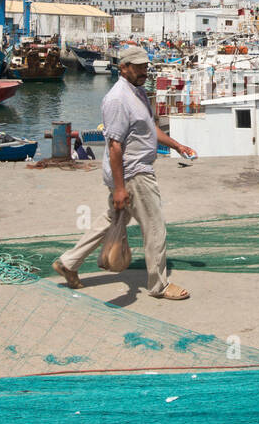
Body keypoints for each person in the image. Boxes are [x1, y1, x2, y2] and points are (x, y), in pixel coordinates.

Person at [52, 46, 196, 300]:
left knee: (112, 219)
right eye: (138, 67)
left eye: (145, 67)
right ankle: (159, 285)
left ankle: (69, 261)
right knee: (154, 227)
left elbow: (149, 129)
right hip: (133, 174)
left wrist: (177, 145)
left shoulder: (136, 92)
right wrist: (120, 188)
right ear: (124, 67)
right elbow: (115, 146)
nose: (144, 72)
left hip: (130, 172)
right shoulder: (118, 99)